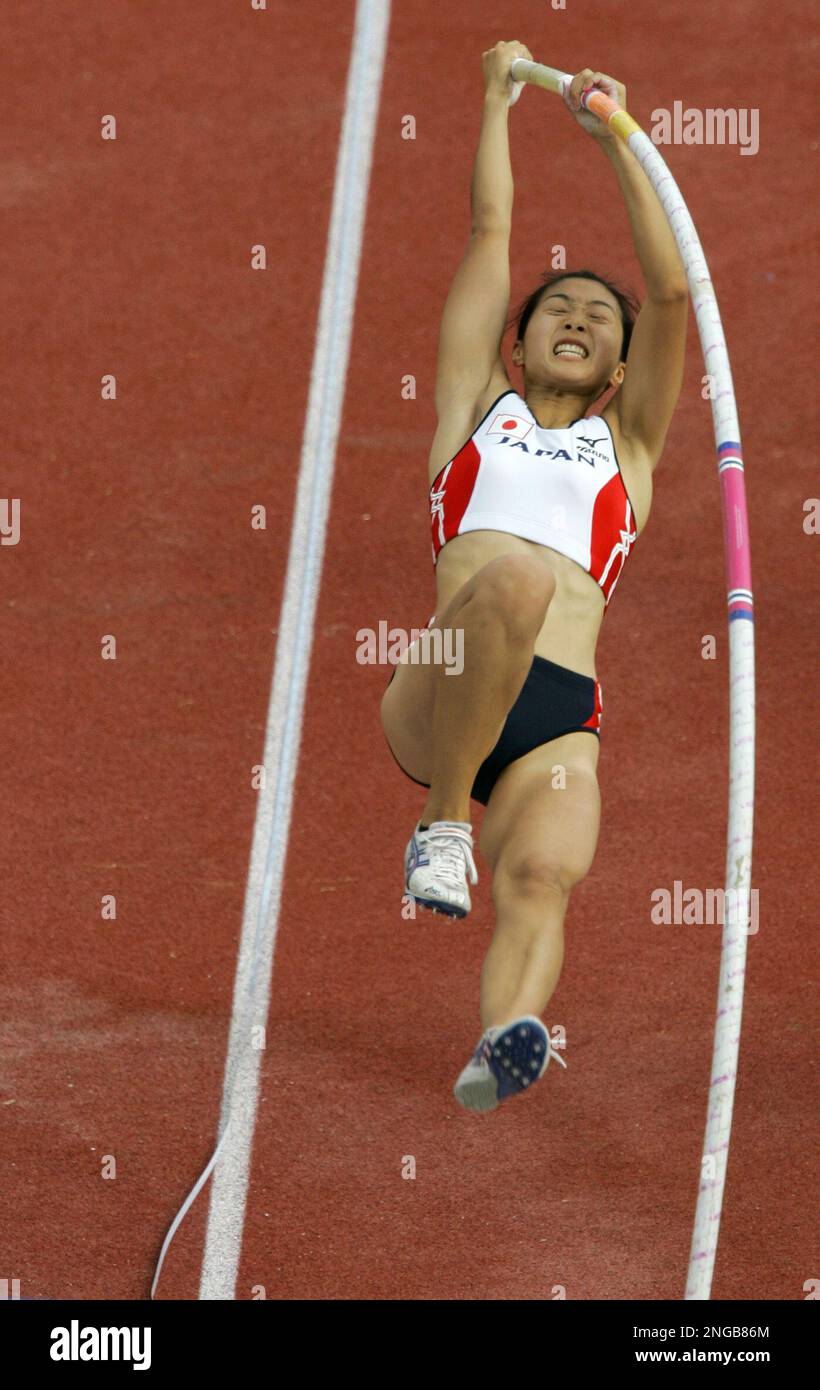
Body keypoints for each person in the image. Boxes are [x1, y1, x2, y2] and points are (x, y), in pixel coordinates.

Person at [380, 42, 688, 1113]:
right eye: (555, 308)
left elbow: (672, 286)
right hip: (448, 678)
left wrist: (619, 139)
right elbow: (490, 233)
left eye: (596, 321)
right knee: (513, 584)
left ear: (617, 372)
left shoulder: (629, 453)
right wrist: (497, 99)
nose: (574, 318)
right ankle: (444, 825)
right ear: (515, 348)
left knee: (543, 879)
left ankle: (506, 1032)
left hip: (559, 715)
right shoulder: (477, 409)